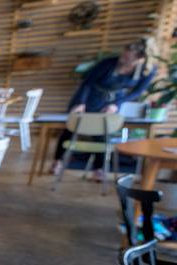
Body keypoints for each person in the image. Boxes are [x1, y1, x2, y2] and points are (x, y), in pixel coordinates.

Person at [51, 37, 158, 177]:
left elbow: (137, 92)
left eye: (127, 57)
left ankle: (99, 169)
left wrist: (116, 104)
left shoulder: (147, 71)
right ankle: (57, 161)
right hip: (88, 97)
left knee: (101, 133)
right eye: (123, 54)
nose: (122, 58)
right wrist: (80, 103)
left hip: (112, 102)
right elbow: (87, 83)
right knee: (70, 129)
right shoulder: (108, 64)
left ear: (140, 59)